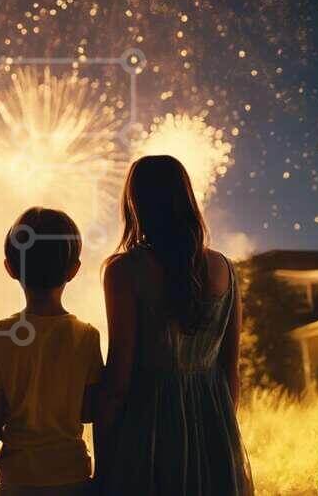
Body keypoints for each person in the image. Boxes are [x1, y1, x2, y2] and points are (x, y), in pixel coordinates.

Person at [95, 155, 253, 495]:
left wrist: (104, 463)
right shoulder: (225, 268)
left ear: (135, 203)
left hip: (148, 432)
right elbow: (230, 370)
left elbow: (119, 379)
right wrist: (220, 433)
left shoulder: (124, 270)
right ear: (186, 198)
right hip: (213, 429)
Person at [0, 207, 103, 496]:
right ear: (73, 270)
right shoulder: (87, 336)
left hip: (17, 478)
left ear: (10, 267)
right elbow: (90, 411)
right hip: (73, 475)